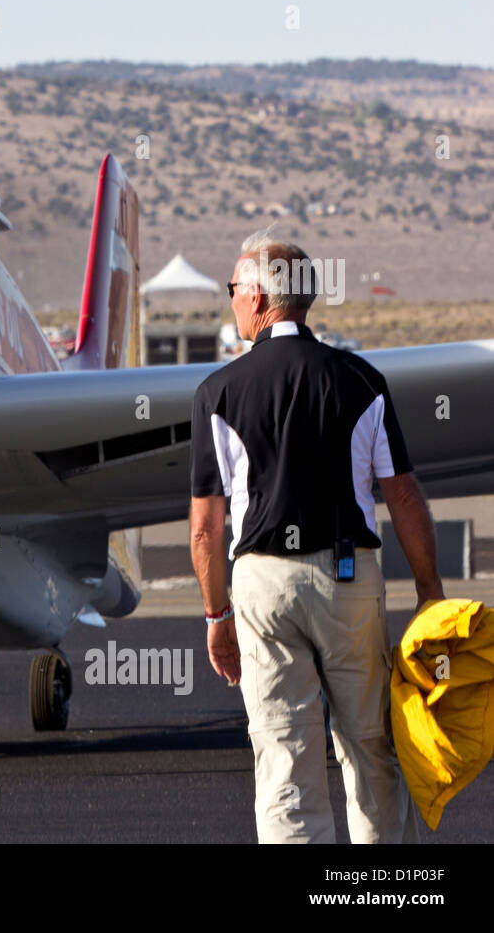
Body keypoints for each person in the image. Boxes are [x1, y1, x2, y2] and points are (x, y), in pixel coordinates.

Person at [189, 228, 443, 843]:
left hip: (262, 589)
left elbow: (206, 528)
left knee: (284, 760)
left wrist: (215, 615)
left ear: (256, 296)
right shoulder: (362, 380)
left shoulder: (217, 393)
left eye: (232, 289)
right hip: (349, 582)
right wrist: (431, 591)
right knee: (370, 748)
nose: (231, 300)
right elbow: (402, 494)